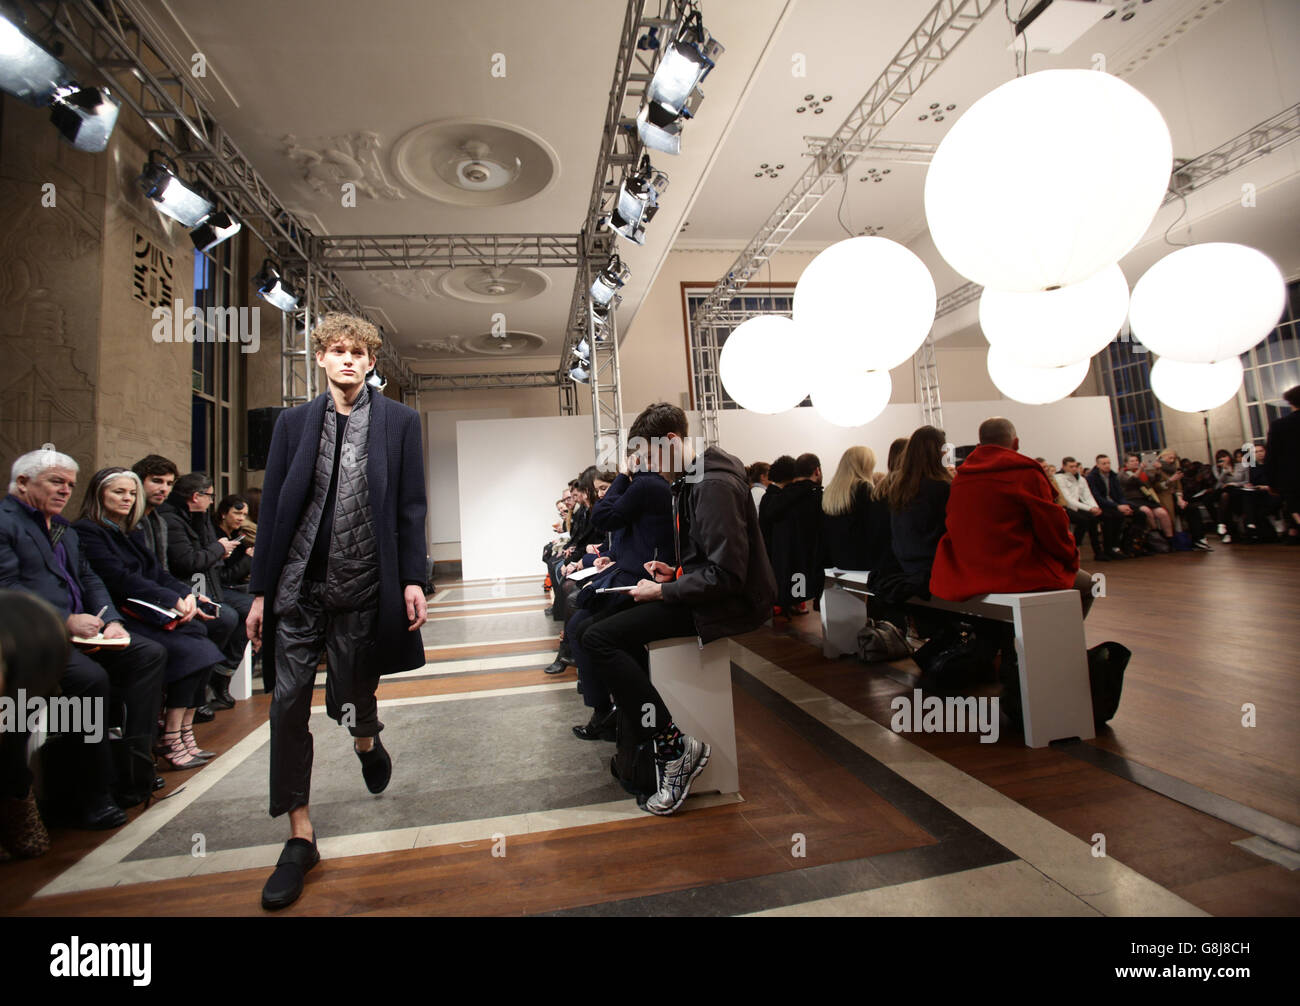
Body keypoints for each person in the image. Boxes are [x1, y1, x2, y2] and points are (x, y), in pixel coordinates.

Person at [246, 312, 428, 911]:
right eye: (337, 350)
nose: (348, 360)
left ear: (371, 362)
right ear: (320, 357)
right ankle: (300, 837)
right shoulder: (293, 424)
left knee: (352, 693)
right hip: (298, 586)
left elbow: (409, 506)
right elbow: (273, 507)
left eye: (359, 352)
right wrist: (259, 591)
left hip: (364, 584)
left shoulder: (399, 422)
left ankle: (366, 740)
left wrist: (413, 578)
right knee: (288, 706)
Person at [574, 403, 775, 815]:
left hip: (722, 605)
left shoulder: (710, 484)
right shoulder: (698, 477)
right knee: (601, 628)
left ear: (669, 443)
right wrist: (676, 574)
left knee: (598, 637)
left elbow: (727, 576)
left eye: (647, 457)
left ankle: (674, 746)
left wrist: (666, 592)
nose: (646, 466)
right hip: (706, 595)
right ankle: (652, 745)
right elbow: (713, 562)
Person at [0, 446, 166, 830]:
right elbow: (6, 590)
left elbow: (89, 578)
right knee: (89, 680)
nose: (65, 491)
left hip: (86, 630)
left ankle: (133, 770)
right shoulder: (7, 523)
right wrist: (66, 621)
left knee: (148, 654)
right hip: (30, 638)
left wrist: (110, 620)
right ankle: (92, 792)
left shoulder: (59, 526)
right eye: (56, 482)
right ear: (22, 482)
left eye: (71, 485)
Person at [74, 468, 225, 771]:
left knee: (201, 633)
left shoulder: (130, 530)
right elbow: (119, 578)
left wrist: (188, 594)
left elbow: (156, 572)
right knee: (192, 649)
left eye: (131, 493)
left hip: (148, 606)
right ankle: (171, 734)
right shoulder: (88, 531)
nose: (127, 498)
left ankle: (182, 729)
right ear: (99, 494)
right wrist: (173, 600)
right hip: (124, 613)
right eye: (119, 492)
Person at [765, 452, 824, 617]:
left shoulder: (776, 498)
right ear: (817, 471)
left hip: (782, 565)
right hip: (809, 565)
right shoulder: (816, 496)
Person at [821, 446, 892, 574]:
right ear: (864, 465)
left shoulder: (830, 492)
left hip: (839, 560)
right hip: (863, 561)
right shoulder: (864, 488)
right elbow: (875, 528)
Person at [1265, 385, 1300, 544]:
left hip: (1292, 478)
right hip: (1291, 478)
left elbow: (1272, 456)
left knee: (1295, 509)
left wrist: (1272, 483)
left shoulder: (1279, 425)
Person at [1055, 457, 1108, 561]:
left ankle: (1098, 552)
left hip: (1079, 506)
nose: (1074, 469)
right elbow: (1068, 499)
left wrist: (1095, 507)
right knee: (1083, 521)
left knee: (1094, 519)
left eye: (1076, 466)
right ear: (1064, 467)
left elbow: (1088, 496)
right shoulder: (1059, 478)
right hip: (1066, 507)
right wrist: (1089, 508)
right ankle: (1075, 546)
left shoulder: (1081, 479)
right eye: (1071, 467)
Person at [1087, 455, 1139, 558]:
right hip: (1102, 505)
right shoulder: (1091, 478)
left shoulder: (1112, 475)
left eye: (1108, 463)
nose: (1107, 465)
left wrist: (1124, 505)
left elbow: (1119, 494)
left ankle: (1128, 544)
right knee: (1114, 516)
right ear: (1097, 465)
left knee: (1139, 513)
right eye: (1104, 463)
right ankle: (1110, 548)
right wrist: (1117, 507)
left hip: (1115, 504)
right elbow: (1097, 497)